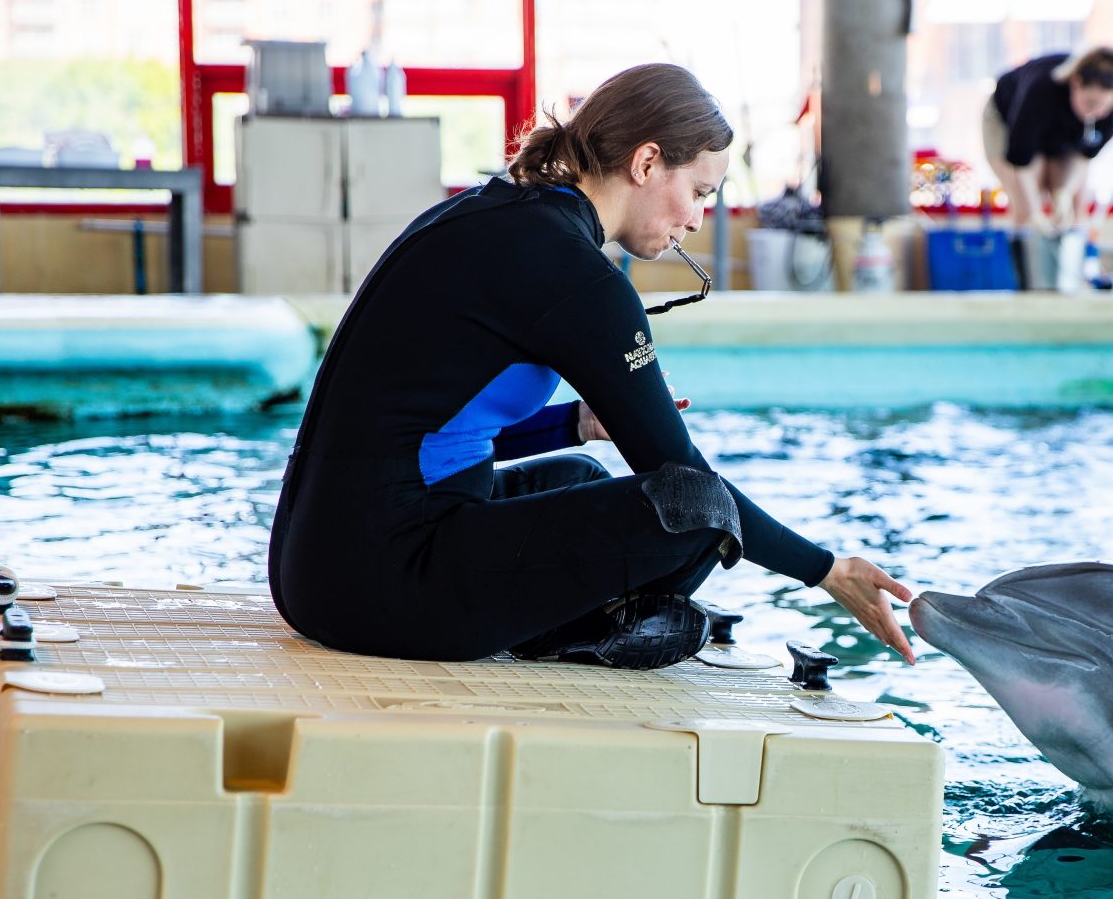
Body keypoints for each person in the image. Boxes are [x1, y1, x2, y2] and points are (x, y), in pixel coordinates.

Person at [268, 62, 914, 668]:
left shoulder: (502, 214)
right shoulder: (577, 279)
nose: (695, 220)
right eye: (697, 192)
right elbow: (690, 486)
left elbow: (429, 426)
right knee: (696, 513)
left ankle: (583, 614)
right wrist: (827, 570)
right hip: (378, 583)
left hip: (315, 562)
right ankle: (576, 624)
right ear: (647, 161)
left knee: (582, 473)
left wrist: (576, 422)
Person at [982, 46, 1113, 234]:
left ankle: (1070, 257)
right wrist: (1035, 214)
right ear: (1076, 83)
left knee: (1075, 202)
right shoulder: (1041, 92)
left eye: (1104, 106)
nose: (1097, 112)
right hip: (1008, 120)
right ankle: (1023, 254)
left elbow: (1083, 158)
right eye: (1090, 102)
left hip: (1059, 130)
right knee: (1024, 204)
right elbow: (1020, 162)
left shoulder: (1108, 114)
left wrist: (1064, 192)